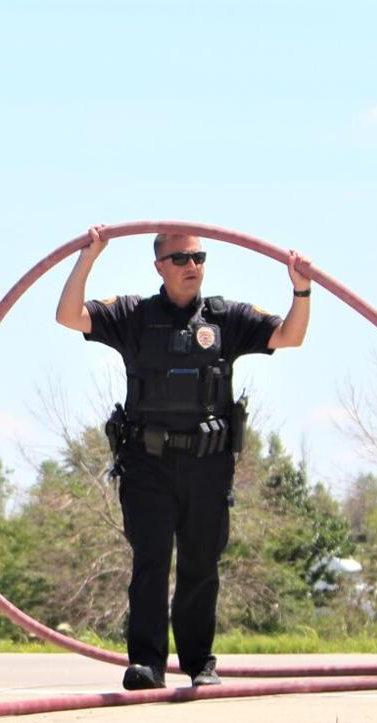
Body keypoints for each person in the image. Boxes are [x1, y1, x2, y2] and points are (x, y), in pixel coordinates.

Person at [55, 226, 313, 690]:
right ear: (159, 267)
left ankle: (199, 663)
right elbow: (69, 316)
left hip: (208, 465)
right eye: (179, 260)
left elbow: (290, 336)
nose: (191, 267)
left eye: (198, 258)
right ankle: (148, 665)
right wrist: (89, 258)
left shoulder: (225, 318)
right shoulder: (134, 315)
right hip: (147, 463)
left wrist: (300, 287)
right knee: (150, 561)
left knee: (201, 563)